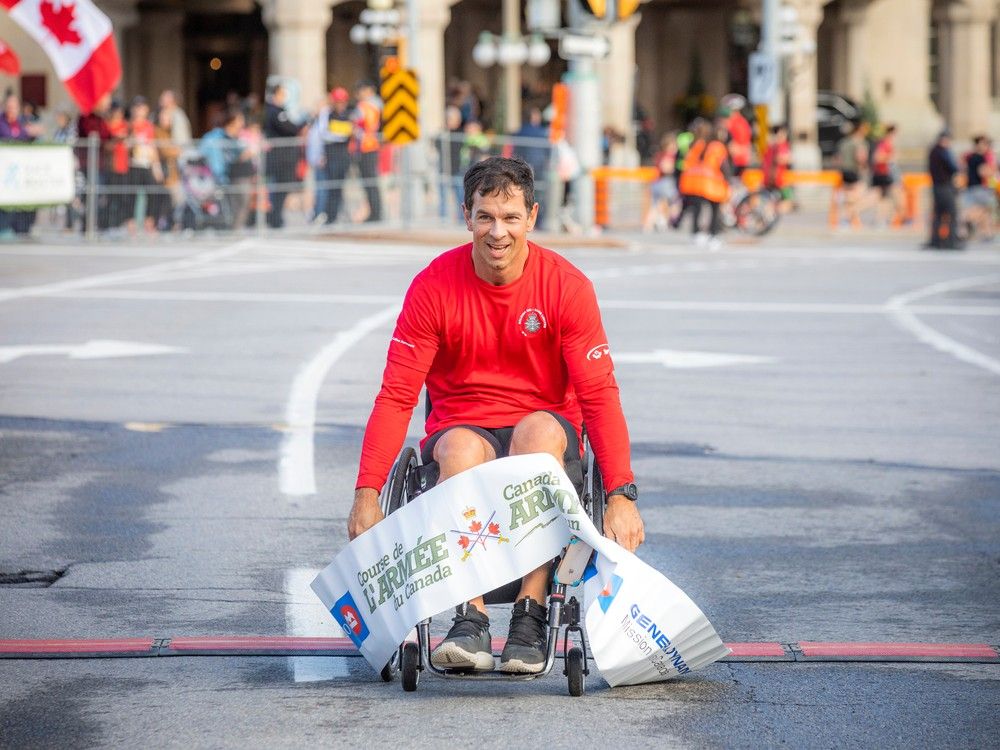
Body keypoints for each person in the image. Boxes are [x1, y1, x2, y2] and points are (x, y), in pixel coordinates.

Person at [347, 156, 644, 674]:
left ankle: (530, 613)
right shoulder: (433, 286)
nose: (498, 232)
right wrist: (367, 494)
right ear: (467, 216)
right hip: (463, 427)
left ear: (532, 216)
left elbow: (599, 395)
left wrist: (620, 494)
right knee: (458, 449)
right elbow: (396, 395)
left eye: (510, 218)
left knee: (535, 432)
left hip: (546, 432)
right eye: (486, 216)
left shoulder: (567, 288)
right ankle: (472, 616)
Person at [678, 118, 731, 250]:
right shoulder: (718, 147)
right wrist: (728, 181)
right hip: (712, 184)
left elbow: (687, 163)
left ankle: (697, 234)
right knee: (715, 211)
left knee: (697, 210)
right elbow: (724, 166)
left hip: (694, 183)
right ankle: (714, 235)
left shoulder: (696, 144)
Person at [201, 108, 254, 230]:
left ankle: (237, 228)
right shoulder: (220, 137)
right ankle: (234, 229)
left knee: (244, 203)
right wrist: (244, 155)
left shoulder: (237, 137)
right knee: (238, 203)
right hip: (231, 176)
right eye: (240, 119)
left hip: (243, 174)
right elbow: (226, 158)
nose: (242, 122)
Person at [263, 82, 304, 229]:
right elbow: (290, 128)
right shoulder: (275, 111)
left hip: (284, 157)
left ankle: (276, 217)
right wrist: (302, 124)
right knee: (279, 188)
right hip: (281, 158)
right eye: (281, 94)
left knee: (281, 189)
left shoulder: (279, 111)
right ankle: (274, 218)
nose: (284, 97)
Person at [0, 94, 43, 235]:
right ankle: (4, 227)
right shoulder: (1, 122)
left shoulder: (21, 123)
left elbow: (26, 136)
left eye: (14, 107)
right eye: (9, 106)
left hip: (20, 170)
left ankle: (22, 227)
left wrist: (34, 133)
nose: (11, 109)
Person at [313, 87, 353, 225]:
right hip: (331, 155)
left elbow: (352, 132)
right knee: (330, 186)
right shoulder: (327, 113)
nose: (341, 105)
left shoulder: (348, 114)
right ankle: (329, 216)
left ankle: (337, 215)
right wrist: (341, 135)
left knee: (339, 187)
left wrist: (344, 133)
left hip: (343, 155)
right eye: (339, 102)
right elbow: (324, 133)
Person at [513, 106, 550, 229]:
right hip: (539, 166)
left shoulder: (519, 132)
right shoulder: (541, 132)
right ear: (534, 117)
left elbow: (516, 150)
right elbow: (547, 150)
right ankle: (537, 221)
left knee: (523, 195)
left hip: (522, 167)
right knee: (538, 195)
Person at [927, 129, 964, 250]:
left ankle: (936, 241)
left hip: (936, 186)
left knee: (938, 214)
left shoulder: (933, 151)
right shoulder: (943, 152)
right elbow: (953, 167)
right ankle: (951, 241)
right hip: (945, 186)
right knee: (952, 213)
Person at [352, 80, 382, 222]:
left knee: (370, 182)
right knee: (370, 183)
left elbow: (362, 125)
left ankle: (376, 214)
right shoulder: (374, 106)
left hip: (367, 147)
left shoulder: (367, 107)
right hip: (368, 146)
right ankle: (375, 212)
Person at [643, 131, 679, 232]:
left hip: (655, 182)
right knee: (675, 202)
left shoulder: (659, 154)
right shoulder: (669, 155)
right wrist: (674, 169)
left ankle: (648, 225)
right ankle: (672, 222)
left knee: (655, 205)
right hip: (665, 182)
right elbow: (665, 168)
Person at [961, 135, 996, 241]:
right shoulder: (981, 157)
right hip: (980, 187)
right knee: (985, 209)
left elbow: (963, 167)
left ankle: (986, 233)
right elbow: (983, 172)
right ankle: (967, 220)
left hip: (970, 187)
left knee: (984, 211)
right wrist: (992, 172)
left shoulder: (969, 156)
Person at [836, 122, 869, 228]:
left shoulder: (844, 142)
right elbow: (860, 157)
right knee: (858, 196)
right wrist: (864, 168)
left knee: (848, 196)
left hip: (844, 171)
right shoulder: (859, 142)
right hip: (855, 171)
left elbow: (838, 158)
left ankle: (848, 219)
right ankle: (849, 216)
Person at [871, 124, 903, 226]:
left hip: (887, 173)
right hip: (885, 173)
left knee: (884, 198)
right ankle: (896, 218)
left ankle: (883, 220)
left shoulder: (887, 143)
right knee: (895, 197)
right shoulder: (885, 143)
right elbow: (877, 158)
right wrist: (891, 157)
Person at [762, 124, 794, 214]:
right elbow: (781, 159)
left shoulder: (770, 146)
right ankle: (773, 213)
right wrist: (788, 158)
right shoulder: (781, 146)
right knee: (787, 200)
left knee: (771, 200)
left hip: (768, 177)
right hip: (779, 179)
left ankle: (770, 214)